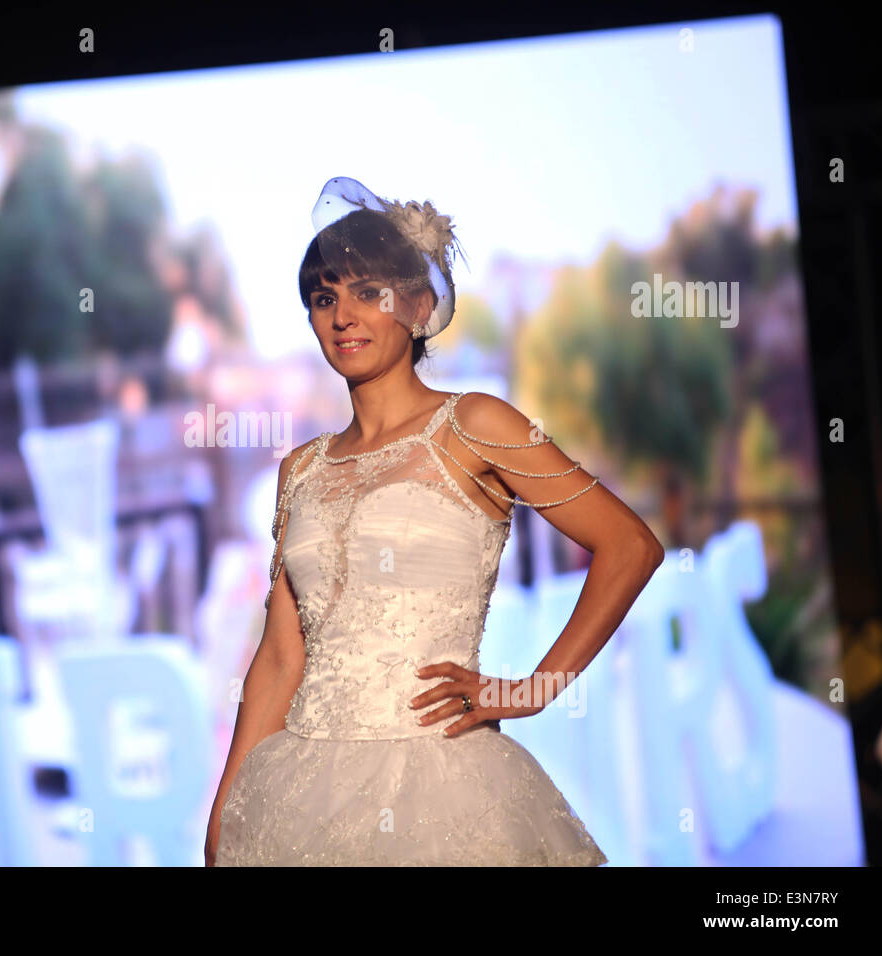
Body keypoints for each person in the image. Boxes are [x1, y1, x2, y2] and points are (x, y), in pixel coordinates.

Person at [204, 177, 664, 866]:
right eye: (324, 298)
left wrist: (532, 690)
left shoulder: (475, 425)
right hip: (298, 797)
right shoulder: (297, 469)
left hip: (442, 784)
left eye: (367, 292)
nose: (342, 316)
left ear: (417, 305)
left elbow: (630, 544)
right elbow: (279, 658)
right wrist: (224, 818)